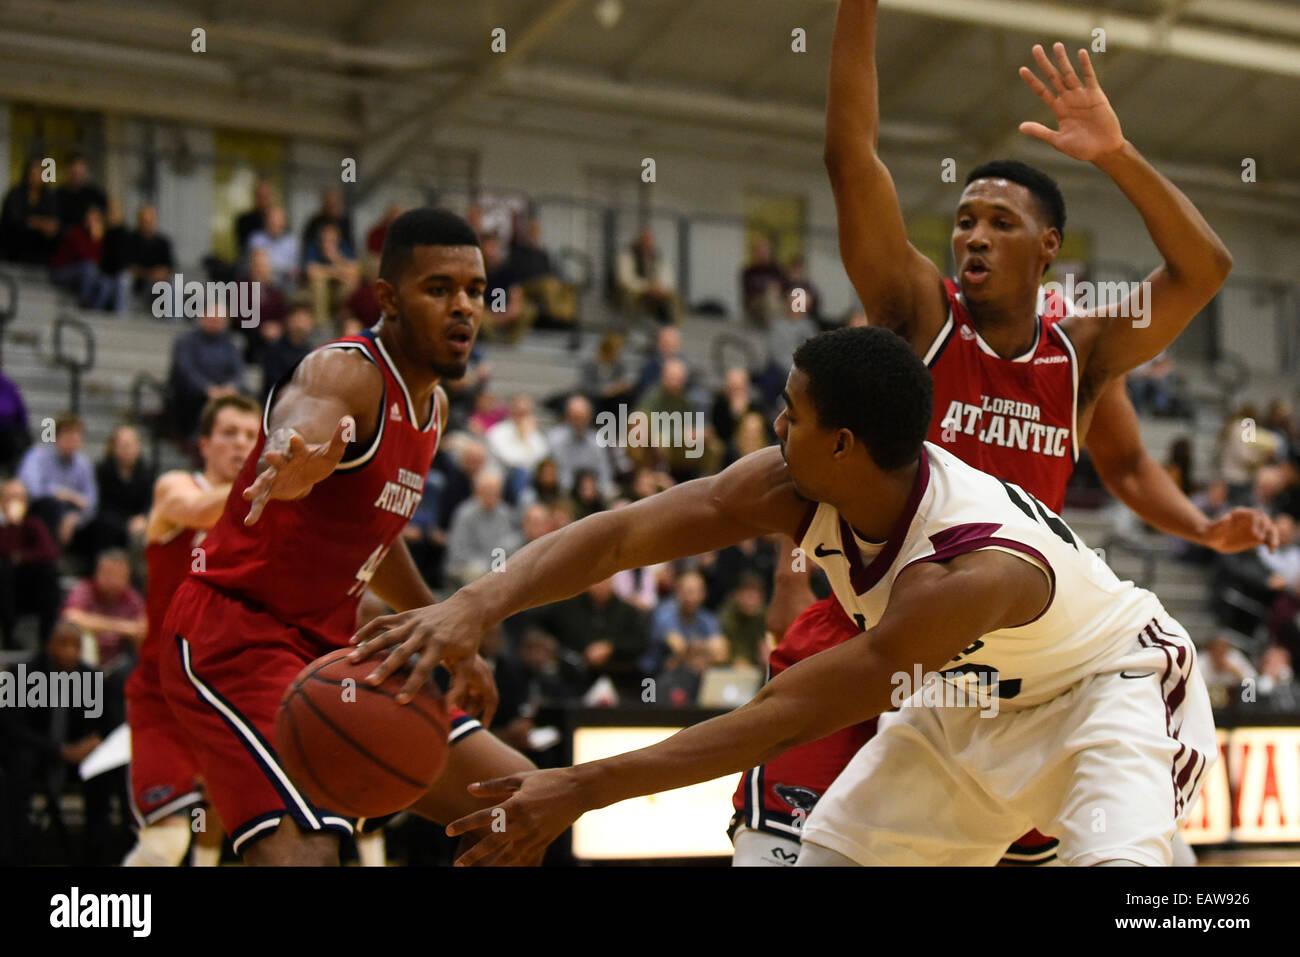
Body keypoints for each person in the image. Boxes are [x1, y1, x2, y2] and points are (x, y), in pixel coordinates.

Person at [724, 1, 1275, 868]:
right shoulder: (917, 313)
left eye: (999, 223)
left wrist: (1116, 154)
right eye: (966, 220)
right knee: (781, 854)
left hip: (999, 664)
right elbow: (849, 157)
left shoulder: (1081, 348)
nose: (972, 235)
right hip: (864, 621)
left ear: (1048, 246)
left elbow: (1196, 288)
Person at [352, 327, 1216, 867]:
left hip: (1112, 693)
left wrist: (580, 787)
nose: (773, 426)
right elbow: (622, 534)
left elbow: (786, 714)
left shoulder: (963, 573)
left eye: (790, 413)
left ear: (842, 442)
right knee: (829, 859)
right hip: (972, 698)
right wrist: (473, 606)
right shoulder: (796, 482)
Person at [156, 208, 534, 865]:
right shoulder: (347, 373)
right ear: (388, 299)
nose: (464, 307)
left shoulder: (434, 408)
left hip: (332, 647)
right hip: (237, 637)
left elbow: (376, 539)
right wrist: (293, 451)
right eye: (439, 289)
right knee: (307, 854)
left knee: (517, 806)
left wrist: (451, 634)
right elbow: (305, 416)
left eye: (475, 290)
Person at [122, 394, 260, 866]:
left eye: (250, 435)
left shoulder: (267, 508)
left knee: (273, 835)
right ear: (204, 443)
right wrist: (268, 477)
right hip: (164, 696)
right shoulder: (175, 487)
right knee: (164, 847)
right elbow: (200, 510)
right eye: (229, 433)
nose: (240, 444)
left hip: (232, 692)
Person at [17, 413, 98, 549]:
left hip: (71, 516)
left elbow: (91, 502)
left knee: (99, 524)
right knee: (53, 506)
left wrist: (74, 518)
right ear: (55, 437)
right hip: (40, 511)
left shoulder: (84, 464)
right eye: (67, 436)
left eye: (75, 437)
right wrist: (63, 493)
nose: (71, 441)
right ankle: (49, 556)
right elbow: (32, 489)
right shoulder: (37, 455)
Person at [60, 549, 146, 673]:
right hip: (83, 663)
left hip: (120, 663)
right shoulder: (85, 589)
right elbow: (71, 617)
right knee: (83, 637)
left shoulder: (132, 597)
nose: (113, 581)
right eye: (109, 574)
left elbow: (143, 628)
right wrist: (123, 627)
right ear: (98, 573)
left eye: (119, 575)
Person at [166, 306, 247, 438]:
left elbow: (238, 371)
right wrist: (207, 389)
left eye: (219, 320)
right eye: (212, 319)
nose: (215, 322)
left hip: (224, 394)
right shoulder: (186, 341)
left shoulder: (232, 343)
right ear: (202, 318)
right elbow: (186, 371)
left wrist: (231, 387)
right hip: (193, 396)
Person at [1, 157, 61, 264]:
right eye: (33, 172)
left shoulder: (49, 196)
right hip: (15, 248)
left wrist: (48, 226)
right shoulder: (15, 194)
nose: (36, 176)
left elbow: (54, 221)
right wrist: (37, 223)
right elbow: (13, 220)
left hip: (41, 250)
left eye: (39, 172)